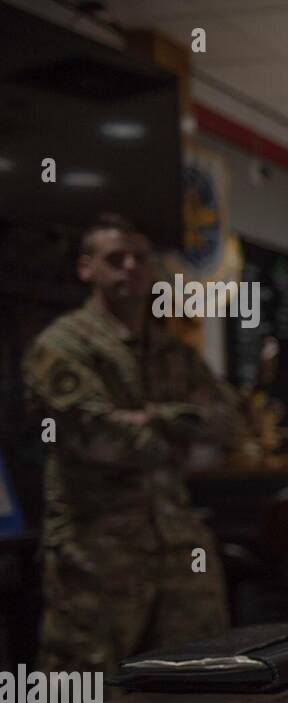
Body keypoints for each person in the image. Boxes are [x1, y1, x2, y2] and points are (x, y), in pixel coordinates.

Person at [23, 213, 242, 675]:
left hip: (179, 548)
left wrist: (152, 417)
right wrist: (180, 427)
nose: (130, 268)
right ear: (87, 268)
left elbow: (229, 422)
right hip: (97, 552)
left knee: (201, 685)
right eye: (114, 258)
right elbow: (99, 437)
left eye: (140, 258)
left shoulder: (172, 351)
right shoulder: (62, 345)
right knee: (84, 699)